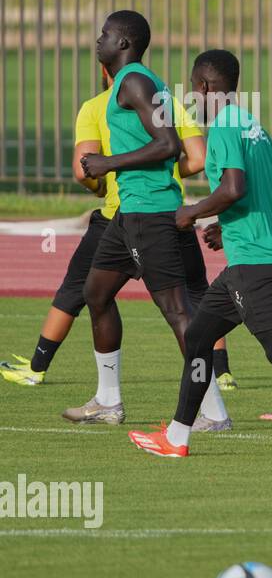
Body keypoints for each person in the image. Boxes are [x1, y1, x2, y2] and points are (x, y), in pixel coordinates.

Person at [127, 50, 272, 459]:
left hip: (253, 263)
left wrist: (191, 213)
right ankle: (178, 436)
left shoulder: (226, 127)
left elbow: (232, 188)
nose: (193, 95)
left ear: (207, 87)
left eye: (194, 87)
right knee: (198, 337)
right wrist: (226, 227)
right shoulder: (254, 126)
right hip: (253, 257)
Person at [2, 71, 234, 391]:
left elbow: (82, 169)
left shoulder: (97, 106)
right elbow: (198, 157)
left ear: (105, 66)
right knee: (195, 294)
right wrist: (166, 173)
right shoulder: (164, 99)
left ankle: (37, 367)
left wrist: (104, 183)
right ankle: (221, 374)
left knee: (79, 291)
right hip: (171, 213)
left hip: (119, 214)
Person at [72, 10, 230, 429]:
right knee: (96, 292)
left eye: (105, 33)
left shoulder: (137, 81)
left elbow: (168, 145)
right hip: (129, 213)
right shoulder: (131, 82)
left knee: (178, 311)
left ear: (123, 43)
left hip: (151, 211)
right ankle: (108, 401)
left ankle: (213, 411)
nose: (98, 39)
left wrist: (108, 162)